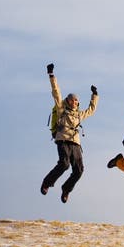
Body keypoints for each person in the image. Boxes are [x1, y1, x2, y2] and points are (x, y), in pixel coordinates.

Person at [40, 62, 98, 203]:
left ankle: (66, 190)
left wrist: (94, 95)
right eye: (72, 99)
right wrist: (51, 75)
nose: (74, 101)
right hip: (63, 140)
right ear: (68, 100)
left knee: (79, 170)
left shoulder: (79, 114)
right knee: (64, 164)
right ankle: (47, 183)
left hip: (76, 143)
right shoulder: (61, 108)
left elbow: (91, 110)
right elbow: (56, 92)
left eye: (76, 100)